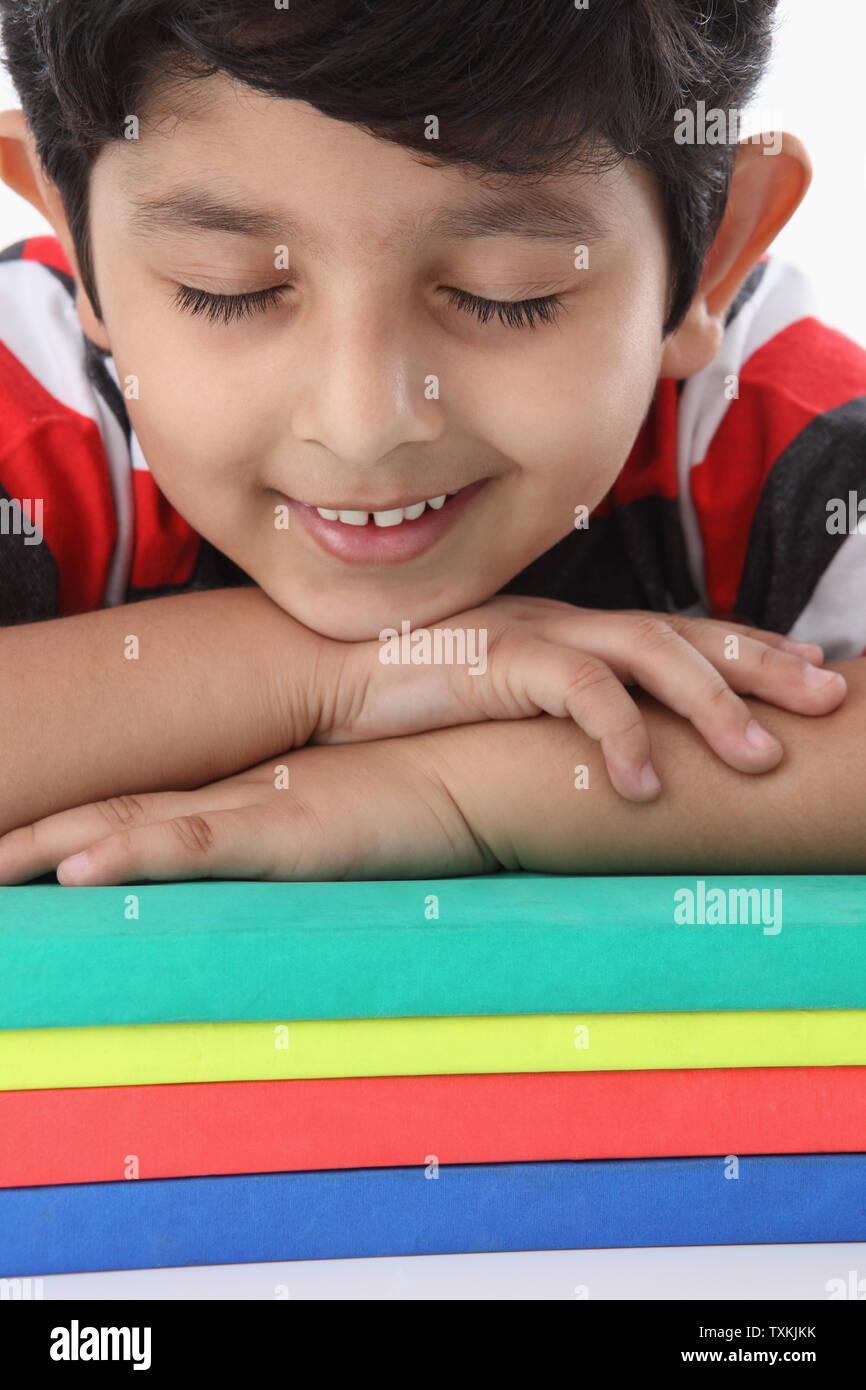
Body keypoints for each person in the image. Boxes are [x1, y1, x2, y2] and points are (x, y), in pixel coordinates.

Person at [0, 0, 862, 884]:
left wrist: (455, 786)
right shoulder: (31, 417)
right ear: (72, 231)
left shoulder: (753, 413)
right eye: (230, 289)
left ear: (711, 259)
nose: (363, 422)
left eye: (505, 295)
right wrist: (326, 681)